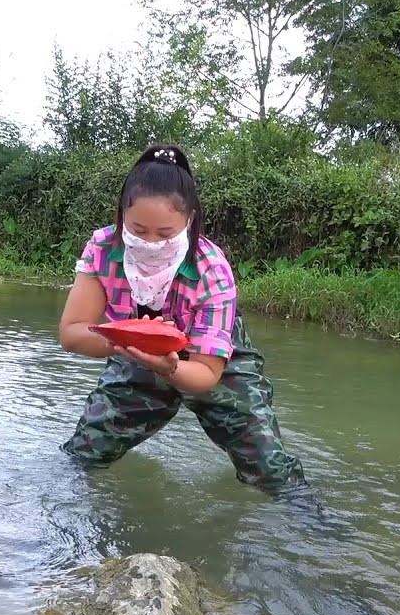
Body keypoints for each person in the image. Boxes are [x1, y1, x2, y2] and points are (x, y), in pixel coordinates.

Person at [57, 144, 306, 489]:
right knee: (83, 453)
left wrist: (168, 366)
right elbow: (72, 332)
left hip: (215, 360)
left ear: (188, 222)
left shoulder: (211, 269)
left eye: (165, 234)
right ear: (122, 216)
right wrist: (124, 345)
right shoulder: (103, 249)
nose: (150, 243)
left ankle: (309, 522)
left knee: (269, 468)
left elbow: (205, 374)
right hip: (130, 348)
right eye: (138, 230)